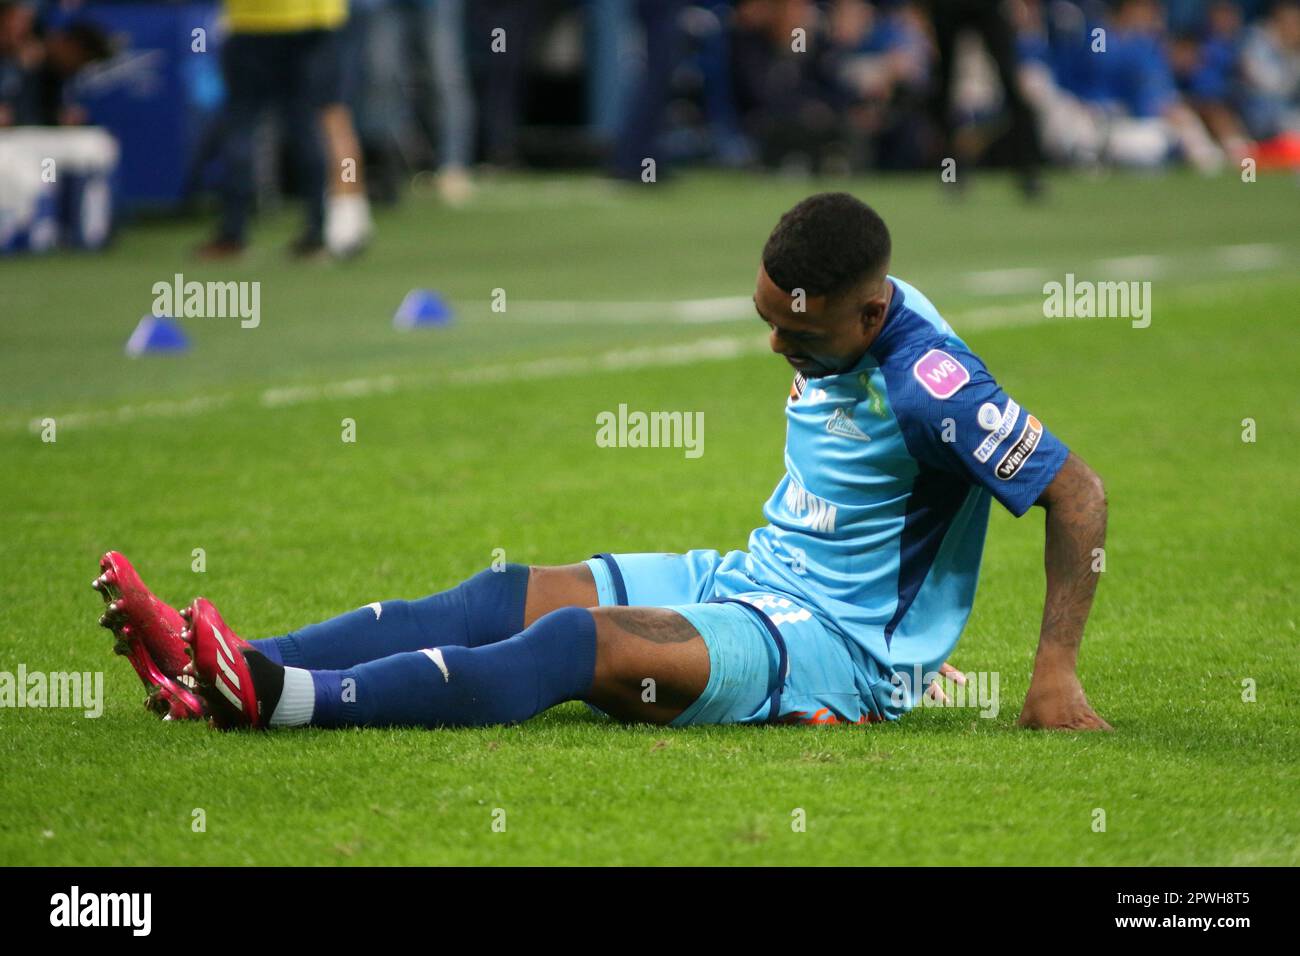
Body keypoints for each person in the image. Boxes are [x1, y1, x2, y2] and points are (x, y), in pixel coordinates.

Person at [93, 193, 1111, 733]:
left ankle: (273, 695)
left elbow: (1075, 491)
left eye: (794, 338)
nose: (774, 350)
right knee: (503, 592)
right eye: (765, 321)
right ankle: (201, 655)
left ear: (871, 315)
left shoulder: (933, 385)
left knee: (584, 642)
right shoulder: (838, 292)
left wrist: (1050, 672)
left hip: (830, 643)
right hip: (758, 574)